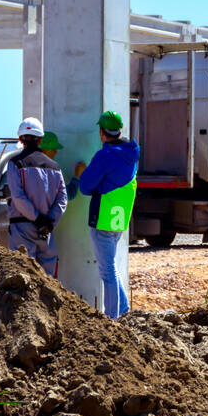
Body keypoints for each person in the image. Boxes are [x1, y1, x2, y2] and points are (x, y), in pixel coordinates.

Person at [70, 110, 139, 320]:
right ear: (119, 131)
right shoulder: (131, 154)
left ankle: (112, 319)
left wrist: (83, 173)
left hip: (102, 220)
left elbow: (85, 187)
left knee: (107, 272)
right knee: (111, 268)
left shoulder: (105, 155)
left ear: (102, 132)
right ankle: (123, 308)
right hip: (118, 221)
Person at [5, 118, 67, 277]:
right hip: (46, 231)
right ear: (40, 139)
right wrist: (49, 222)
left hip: (22, 229)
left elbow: (18, 198)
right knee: (47, 282)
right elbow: (62, 199)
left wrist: (37, 218)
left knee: (23, 279)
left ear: (20, 139)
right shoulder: (55, 167)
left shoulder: (15, 164)